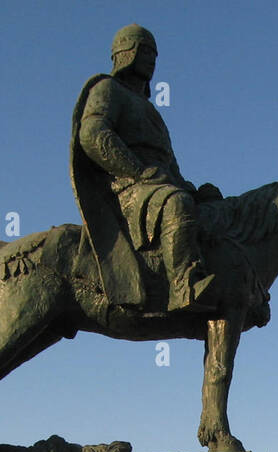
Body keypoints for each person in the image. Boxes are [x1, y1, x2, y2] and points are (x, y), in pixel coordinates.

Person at [69, 24, 220, 312]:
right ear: (126, 53)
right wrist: (136, 171)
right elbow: (92, 134)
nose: (151, 60)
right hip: (126, 187)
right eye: (145, 52)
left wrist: (192, 187)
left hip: (156, 183)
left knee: (208, 207)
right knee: (178, 204)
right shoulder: (107, 89)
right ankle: (182, 287)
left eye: (154, 54)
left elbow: (169, 163)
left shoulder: (150, 110)